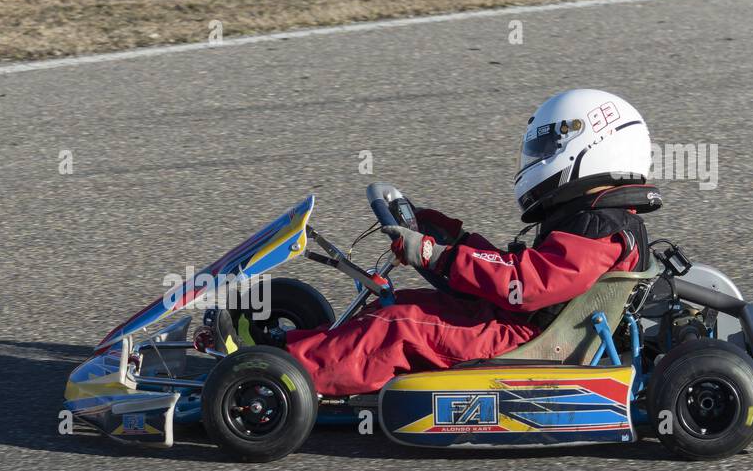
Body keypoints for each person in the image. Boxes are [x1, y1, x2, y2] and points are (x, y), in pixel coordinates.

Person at [210, 88, 663, 396]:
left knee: (399, 326)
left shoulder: (599, 227)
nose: (538, 160)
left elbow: (525, 285)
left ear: (595, 147)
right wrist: (440, 232)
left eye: (546, 150)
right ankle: (290, 348)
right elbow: (516, 269)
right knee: (392, 303)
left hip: (528, 337)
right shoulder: (593, 218)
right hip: (525, 322)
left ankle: (274, 373)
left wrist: (435, 254)